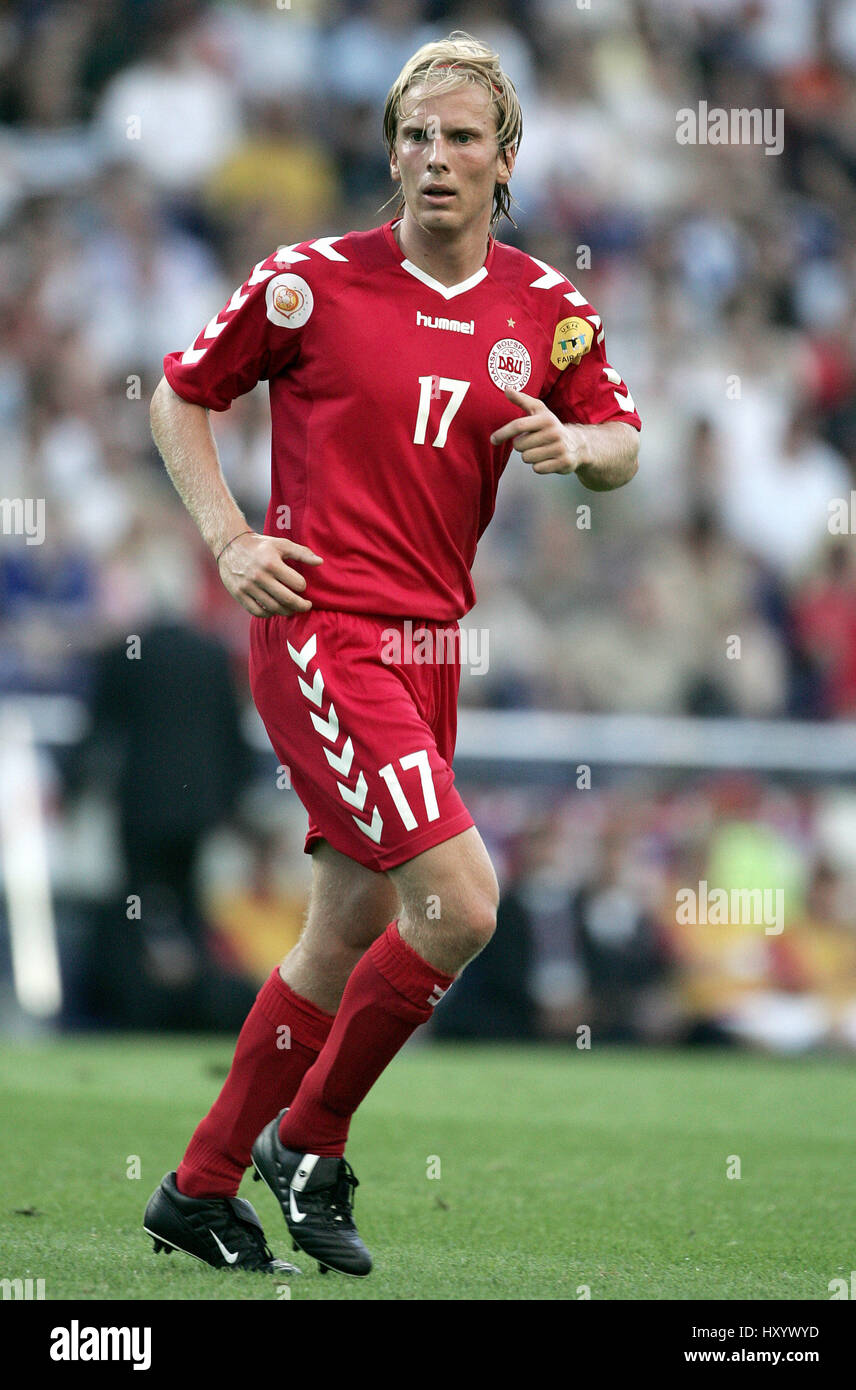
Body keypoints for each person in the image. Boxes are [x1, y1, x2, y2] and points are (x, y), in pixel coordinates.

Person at [143, 32, 641, 1279]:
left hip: (429, 648)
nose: (433, 158)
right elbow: (179, 391)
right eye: (413, 136)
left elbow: (622, 436)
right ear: (389, 153)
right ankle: (310, 1140)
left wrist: (581, 454)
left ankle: (199, 1185)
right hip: (324, 630)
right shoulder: (308, 279)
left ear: (503, 157)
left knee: (346, 925)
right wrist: (227, 538)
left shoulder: (545, 308)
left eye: (460, 136)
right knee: (460, 905)